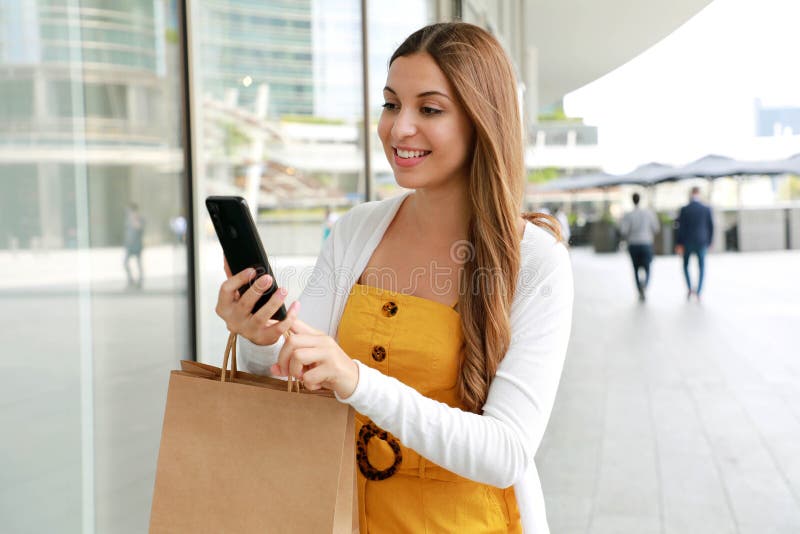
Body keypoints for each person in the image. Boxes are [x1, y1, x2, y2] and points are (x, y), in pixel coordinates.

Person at [215, 23, 573, 534]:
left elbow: (507, 453)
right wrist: (257, 338)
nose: (399, 128)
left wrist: (356, 381)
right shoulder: (358, 229)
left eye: (429, 109)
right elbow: (293, 376)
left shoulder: (535, 259)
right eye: (390, 104)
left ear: (481, 121)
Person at [675, 186, 714, 300]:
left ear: (691, 194)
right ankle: (699, 290)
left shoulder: (684, 209)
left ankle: (689, 288)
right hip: (702, 241)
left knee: (685, 265)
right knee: (701, 267)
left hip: (687, 242)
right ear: (699, 194)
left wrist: (679, 243)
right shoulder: (706, 208)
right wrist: (710, 241)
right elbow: (711, 227)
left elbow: (680, 228)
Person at [619, 192, 659, 301]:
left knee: (635, 268)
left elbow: (623, 230)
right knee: (648, 267)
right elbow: (656, 228)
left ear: (632, 200)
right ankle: (645, 286)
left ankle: (639, 289)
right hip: (646, 243)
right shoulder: (648, 213)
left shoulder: (628, 215)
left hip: (633, 244)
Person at [124, 203, 144, 288]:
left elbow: (140, 228)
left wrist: (135, 219)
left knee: (138, 263)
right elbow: (127, 233)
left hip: (137, 245)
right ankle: (130, 279)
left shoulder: (139, 219)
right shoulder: (128, 220)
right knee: (125, 263)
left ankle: (140, 280)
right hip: (129, 245)